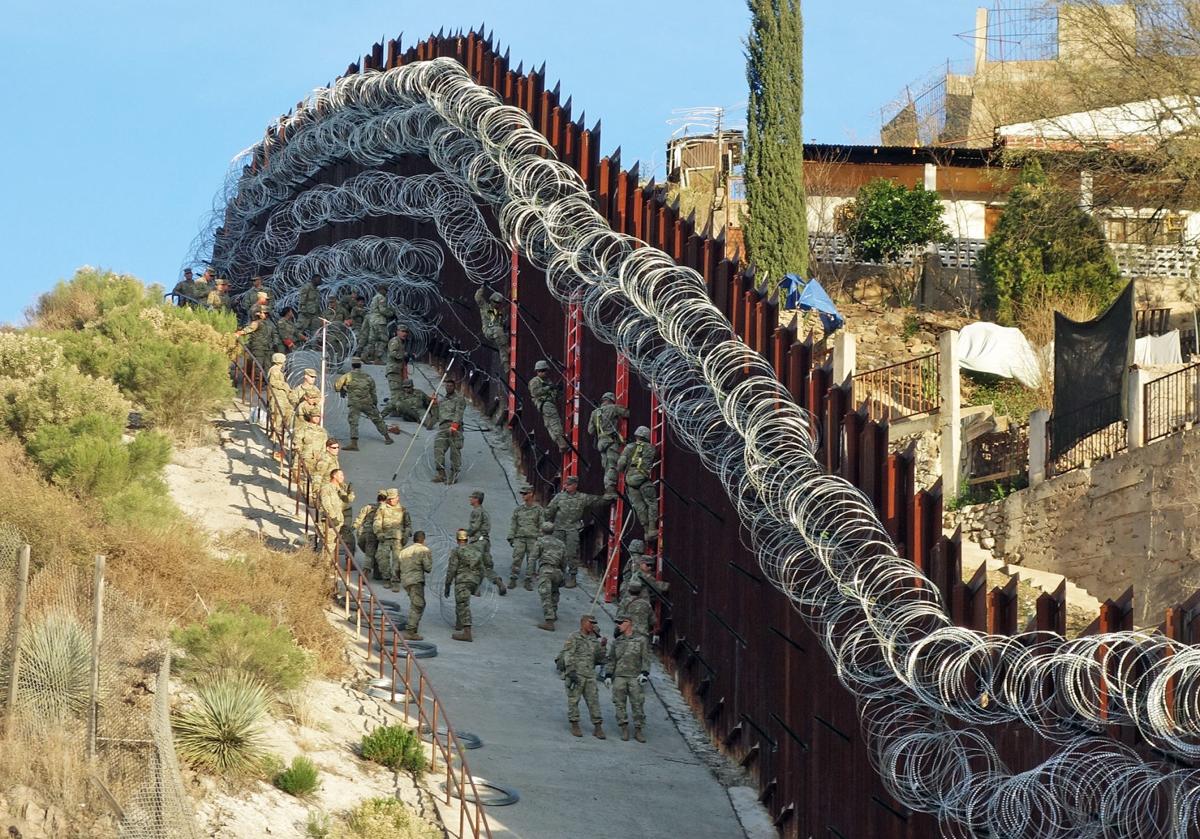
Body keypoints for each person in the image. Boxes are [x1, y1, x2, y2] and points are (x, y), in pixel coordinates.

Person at [545, 476, 612, 588]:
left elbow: (597, 501)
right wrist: (547, 524)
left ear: (575, 485)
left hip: (572, 530)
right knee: (556, 552)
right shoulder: (559, 497)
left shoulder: (582, 498)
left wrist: (610, 497)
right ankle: (558, 576)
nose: (566, 486)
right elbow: (549, 511)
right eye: (565, 484)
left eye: (569, 484)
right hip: (558, 529)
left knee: (571, 554)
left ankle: (572, 577)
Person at [443, 528, 506, 643]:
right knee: (462, 601)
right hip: (474, 581)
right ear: (467, 539)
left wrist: (447, 585)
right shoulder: (476, 551)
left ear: (457, 540)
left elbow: (452, 569)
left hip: (462, 580)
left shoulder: (457, 551)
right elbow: (482, 569)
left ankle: (467, 632)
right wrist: (477, 585)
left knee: (462, 604)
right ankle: (459, 624)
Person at [555, 614, 607, 738]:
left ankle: (598, 726)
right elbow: (569, 654)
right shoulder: (574, 637)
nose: (592, 625)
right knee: (574, 700)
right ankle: (575, 724)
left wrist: (603, 647)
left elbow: (600, 659)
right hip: (576, 674)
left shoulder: (594, 640)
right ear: (583, 623)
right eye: (590, 623)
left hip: (589, 675)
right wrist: (571, 671)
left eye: (594, 623)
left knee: (593, 701)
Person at [604, 614, 652, 742]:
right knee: (619, 703)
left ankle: (638, 730)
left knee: (638, 703)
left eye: (621, 623)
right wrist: (608, 675)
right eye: (617, 623)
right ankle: (624, 728)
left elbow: (646, 658)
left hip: (634, 676)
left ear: (628, 623)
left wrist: (645, 673)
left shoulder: (641, 640)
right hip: (619, 676)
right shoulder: (617, 642)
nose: (618, 625)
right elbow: (611, 659)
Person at [332, 358, 394, 450]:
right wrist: (374, 403)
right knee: (377, 419)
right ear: (360, 365)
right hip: (367, 402)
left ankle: (354, 444)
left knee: (353, 422)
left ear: (352, 366)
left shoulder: (347, 376)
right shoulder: (367, 376)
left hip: (354, 403)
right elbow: (373, 392)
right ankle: (387, 438)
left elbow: (337, 387)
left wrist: (343, 389)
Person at [617, 425, 659, 541]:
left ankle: (646, 532)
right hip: (643, 479)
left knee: (639, 506)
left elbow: (621, 463)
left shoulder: (629, 447)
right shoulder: (652, 449)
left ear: (637, 436)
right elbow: (655, 458)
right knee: (651, 502)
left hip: (630, 480)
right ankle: (652, 529)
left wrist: (621, 471)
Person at [425, 378, 467, 484]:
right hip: (443, 427)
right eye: (447, 385)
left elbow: (459, 412)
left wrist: (455, 424)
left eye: (451, 386)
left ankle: (454, 474)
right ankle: (441, 473)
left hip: (454, 427)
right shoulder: (443, 400)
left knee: (455, 451)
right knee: (438, 448)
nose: (448, 387)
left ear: (454, 387)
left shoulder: (459, 399)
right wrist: (434, 403)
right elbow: (437, 414)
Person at [589, 392, 630, 494]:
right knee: (612, 465)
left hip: (601, 443)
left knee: (606, 466)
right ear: (611, 400)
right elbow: (626, 413)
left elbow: (590, 431)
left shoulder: (595, 413)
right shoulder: (613, 408)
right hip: (611, 441)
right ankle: (611, 488)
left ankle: (607, 487)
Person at [395, 531, 433, 640]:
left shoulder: (404, 551)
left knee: (415, 603)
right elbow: (428, 568)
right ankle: (411, 631)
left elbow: (396, 569)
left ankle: (413, 626)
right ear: (423, 540)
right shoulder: (423, 550)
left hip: (405, 581)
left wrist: (402, 577)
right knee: (418, 604)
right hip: (416, 581)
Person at [373, 489, 411, 590]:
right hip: (384, 538)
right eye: (389, 499)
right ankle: (386, 578)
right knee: (381, 558)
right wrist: (379, 533)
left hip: (398, 539)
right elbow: (377, 522)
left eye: (393, 499)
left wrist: (406, 534)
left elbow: (408, 525)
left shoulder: (403, 510)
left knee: (397, 560)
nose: (390, 501)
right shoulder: (382, 509)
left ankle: (395, 580)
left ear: (397, 497)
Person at [507, 484, 544, 589]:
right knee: (516, 558)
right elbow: (513, 524)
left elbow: (542, 525)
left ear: (531, 494)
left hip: (533, 538)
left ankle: (528, 580)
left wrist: (540, 538)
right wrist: (511, 536)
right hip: (520, 537)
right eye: (522, 493)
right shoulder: (518, 509)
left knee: (531, 560)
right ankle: (513, 578)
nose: (523, 495)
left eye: (525, 493)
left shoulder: (538, 510)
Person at [532, 521, 565, 631]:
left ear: (542, 530)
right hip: (557, 571)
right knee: (554, 592)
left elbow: (533, 558)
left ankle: (549, 621)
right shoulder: (561, 543)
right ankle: (554, 612)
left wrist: (530, 573)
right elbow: (564, 561)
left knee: (545, 594)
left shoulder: (540, 542)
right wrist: (563, 573)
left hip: (546, 570)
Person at [528, 360, 568, 452]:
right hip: (546, 404)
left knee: (549, 425)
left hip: (547, 405)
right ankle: (562, 444)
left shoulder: (547, 381)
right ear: (539, 371)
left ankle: (561, 445)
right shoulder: (535, 381)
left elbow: (555, 395)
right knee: (554, 423)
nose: (545, 373)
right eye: (543, 371)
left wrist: (558, 389)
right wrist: (549, 387)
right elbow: (535, 392)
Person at [354, 489, 388, 579]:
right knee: (377, 553)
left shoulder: (368, 507)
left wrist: (354, 528)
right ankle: (370, 573)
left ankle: (371, 573)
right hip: (379, 533)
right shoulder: (386, 509)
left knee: (370, 553)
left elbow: (359, 520)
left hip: (366, 532)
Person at [475, 287, 509, 372]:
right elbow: (478, 297)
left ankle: (505, 362)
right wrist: (483, 287)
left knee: (501, 339)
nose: (497, 304)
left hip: (498, 333)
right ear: (491, 300)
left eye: (499, 303)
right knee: (498, 331)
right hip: (488, 331)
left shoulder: (500, 312)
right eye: (495, 302)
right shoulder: (485, 307)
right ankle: (505, 362)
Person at [318, 468, 347, 565]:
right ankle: (324, 566)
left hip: (338, 520)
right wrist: (332, 517)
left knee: (333, 544)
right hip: (330, 520)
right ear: (334, 476)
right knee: (329, 544)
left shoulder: (339, 489)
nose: (343, 477)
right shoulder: (327, 488)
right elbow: (326, 503)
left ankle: (326, 564)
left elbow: (345, 502)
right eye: (341, 475)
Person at [266, 352, 291, 449]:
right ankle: (275, 437)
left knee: (281, 415)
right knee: (277, 416)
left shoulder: (277, 369)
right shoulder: (275, 370)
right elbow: (273, 382)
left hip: (280, 395)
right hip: (277, 395)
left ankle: (276, 435)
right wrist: (284, 386)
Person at [386, 325, 413, 405]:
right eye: (402, 331)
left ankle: (396, 408)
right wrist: (404, 355)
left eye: (406, 332)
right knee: (396, 391)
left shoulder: (401, 342)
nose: (404, 334)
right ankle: (394, 409)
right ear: (397, 332)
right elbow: (393, 353)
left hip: (398, 370)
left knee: (400, 390)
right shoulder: (395, 341)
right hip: (393, 370)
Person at [363, 290, 394, 361]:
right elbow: (383, 310)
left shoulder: (374, 297)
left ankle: (365, 355)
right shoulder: (382, 298)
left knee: (372, 340)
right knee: (384, 339)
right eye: (386, 291)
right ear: (383, 290)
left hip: (372, 320)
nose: (386, 293)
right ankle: (378, 358)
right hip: (380, 321)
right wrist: (391, 313)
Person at [467, 490, 492, 572]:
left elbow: (475, 526)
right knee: (487, 564)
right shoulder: (483, 511)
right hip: (484, 539)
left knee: (475, 565)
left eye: (472, 497)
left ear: (476, 499)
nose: (470, 499)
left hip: (478, 540)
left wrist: (466, 533)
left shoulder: (476, 511)